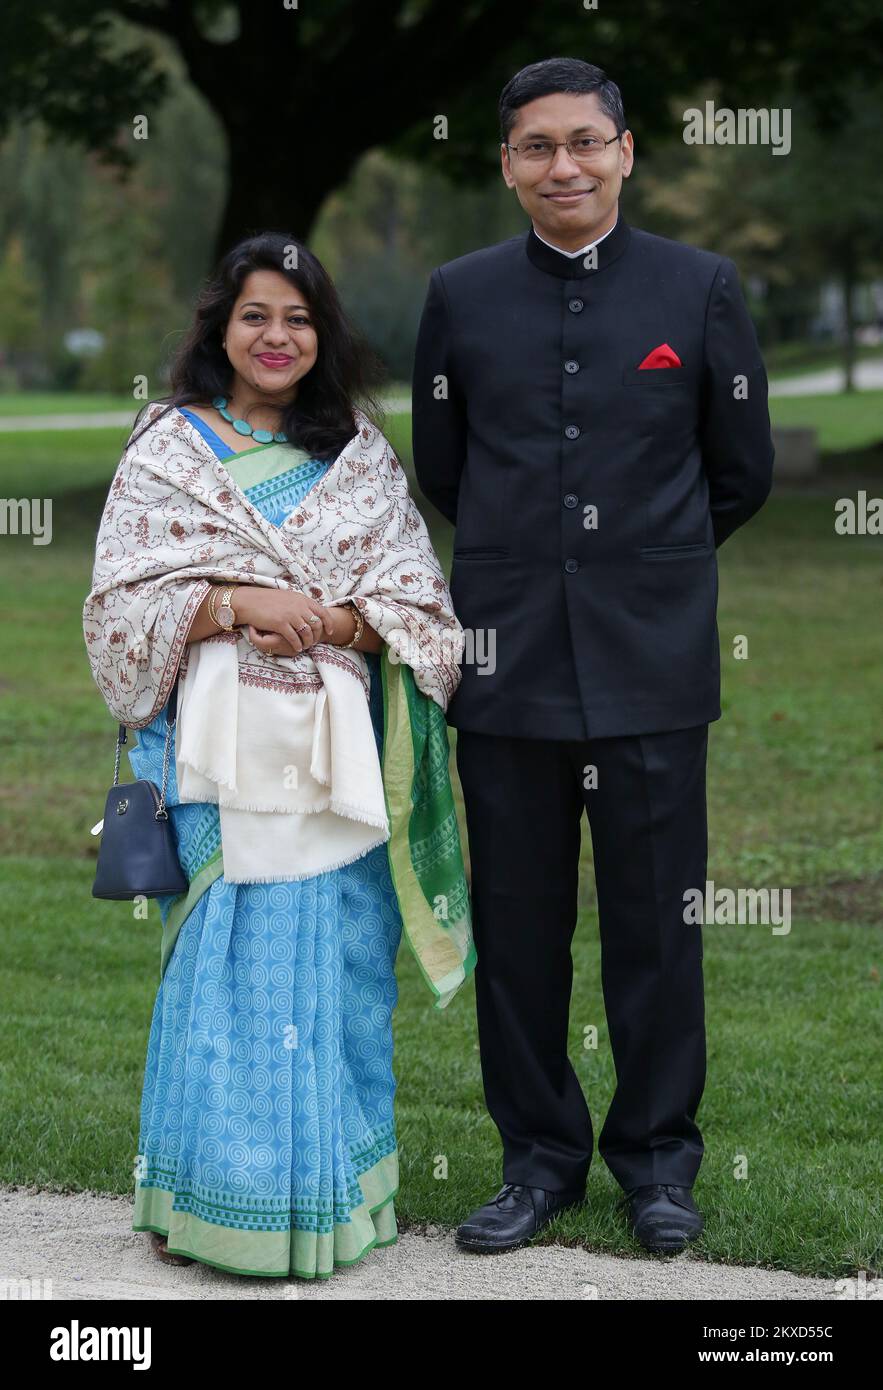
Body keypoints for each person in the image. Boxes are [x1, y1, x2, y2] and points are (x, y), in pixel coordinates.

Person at [411, 57, 774, 1256]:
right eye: (534, 147)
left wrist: (641, 570)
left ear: (624, 152)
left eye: (582, 142)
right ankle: (536, 1162)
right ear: (506, 162)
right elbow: (446, 474)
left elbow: (740, 472)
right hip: (505, 661)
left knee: (656, 927)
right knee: (517, 928)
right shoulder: (459, 296)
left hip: (653, 666)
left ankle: (659, 1165)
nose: (560, 166)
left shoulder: (699, 287)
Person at [83, 231, 474, 1280]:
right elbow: (118, 608)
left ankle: (332, 1207)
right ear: (220, 327)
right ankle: (216, 1206)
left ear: (323, 336)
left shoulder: (355, 458)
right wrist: (232, 601)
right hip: (211, 762)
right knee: (224, 965)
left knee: (338, 977)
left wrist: (338, 626)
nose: (276, 335)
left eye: (298, 318)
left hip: (335, 769)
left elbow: (424, 616)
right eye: (255, 314)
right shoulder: (168, 447)